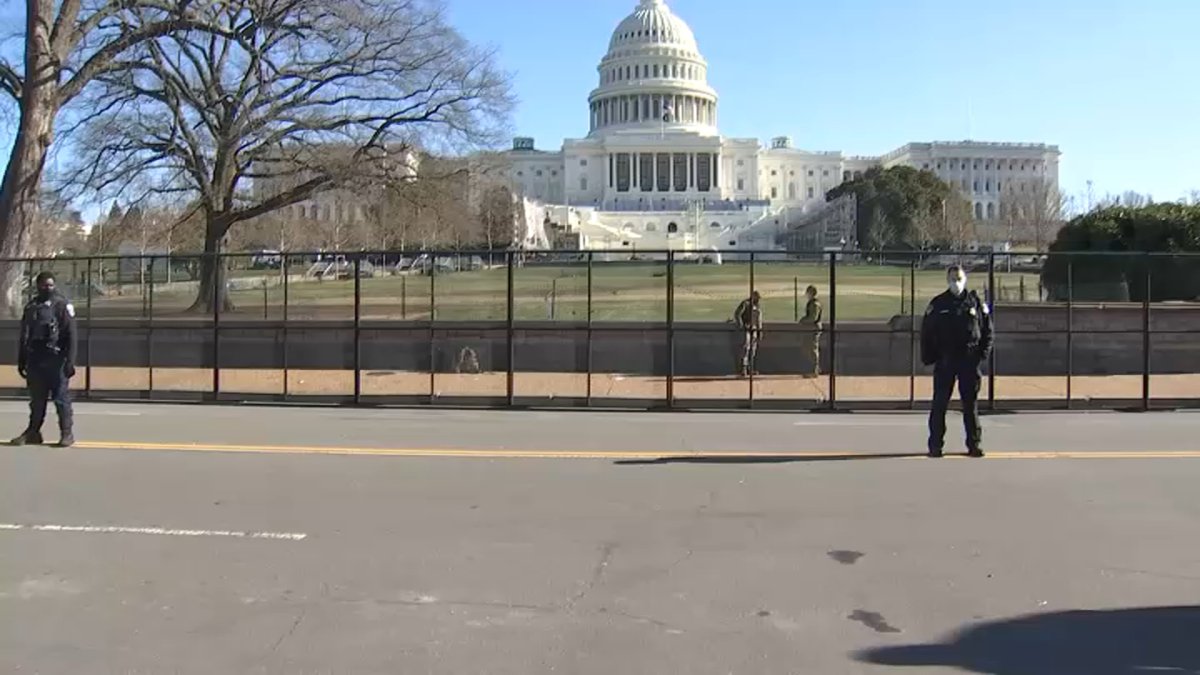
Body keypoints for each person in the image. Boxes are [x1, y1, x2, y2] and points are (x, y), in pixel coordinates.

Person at [921, 265, 993, 458]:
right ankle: (935, 445)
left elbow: (987, 331)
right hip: (946, 360)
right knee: (940, 404)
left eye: (959, 278)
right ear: (947, 280)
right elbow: (927, 332)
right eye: (953, 279)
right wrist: (930, 357)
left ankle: (974, 444)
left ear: (965, 279)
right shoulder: (938, 304)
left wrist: (982, 354)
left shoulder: (975, 303)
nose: (956, 283)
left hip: (969, 361)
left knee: (970, 405)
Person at [12, 272, 77, 447]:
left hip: (56, 359)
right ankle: (33, 432)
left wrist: (70, 361)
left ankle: (66, 433)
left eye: (50, 285)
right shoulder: (32, 306)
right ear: (37, 285)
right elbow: (24, 335)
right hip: (36, 359)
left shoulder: (61, 305)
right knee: (37, 400)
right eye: (43, 285)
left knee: (61, 399)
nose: (47, 288)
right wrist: (22, 360)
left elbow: (71, 335)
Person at [734, 291, 763, 378]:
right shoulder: (745, 304)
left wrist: (759, 330)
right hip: (746, 329)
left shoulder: (757, 307)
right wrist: (741, 324)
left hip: (754, 330)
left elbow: (759, 319)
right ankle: (744, 368)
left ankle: (750, 368)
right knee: (746, 349)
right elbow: (737, 314)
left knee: (753, 350)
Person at [800, 285, 823, 378]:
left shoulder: (814, 304)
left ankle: (814, 370)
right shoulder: (812, 303)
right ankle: (815, 368)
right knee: (808, 348)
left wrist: (803, 320)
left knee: (812, 349)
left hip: (813, 328)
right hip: (811, 328)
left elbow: (813, 318)